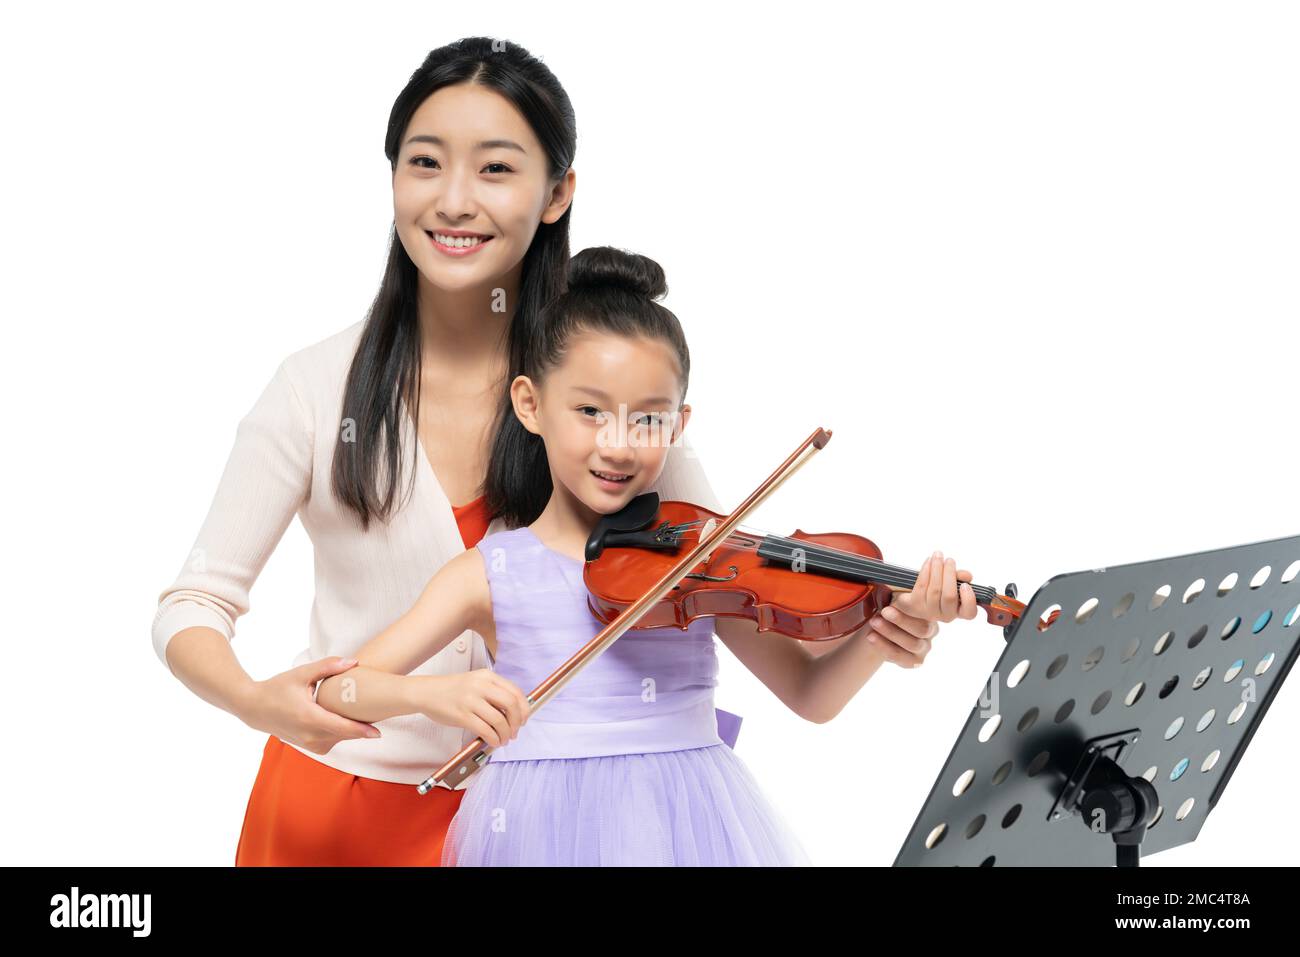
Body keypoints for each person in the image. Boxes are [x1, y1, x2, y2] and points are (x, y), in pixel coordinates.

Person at [151, 37, 748, 867]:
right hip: (332, 812)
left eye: (496, 169)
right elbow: (192, 603)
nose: (454, 201)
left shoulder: (607, 394)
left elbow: (720, 574)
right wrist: (260, 702)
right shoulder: (314, 387)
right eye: (425, 163)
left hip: (541, 822)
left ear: (556, 193)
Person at [315, 246, 978, 865]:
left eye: (649, 418)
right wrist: (432, 694)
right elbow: (340, 689)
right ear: (530, 403)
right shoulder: (489, 572)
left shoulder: (701, 559)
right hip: (536, 832)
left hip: (690, 823)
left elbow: (810, 694)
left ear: (680, 425)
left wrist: (879, 640)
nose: (620, 445)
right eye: (590, 411)